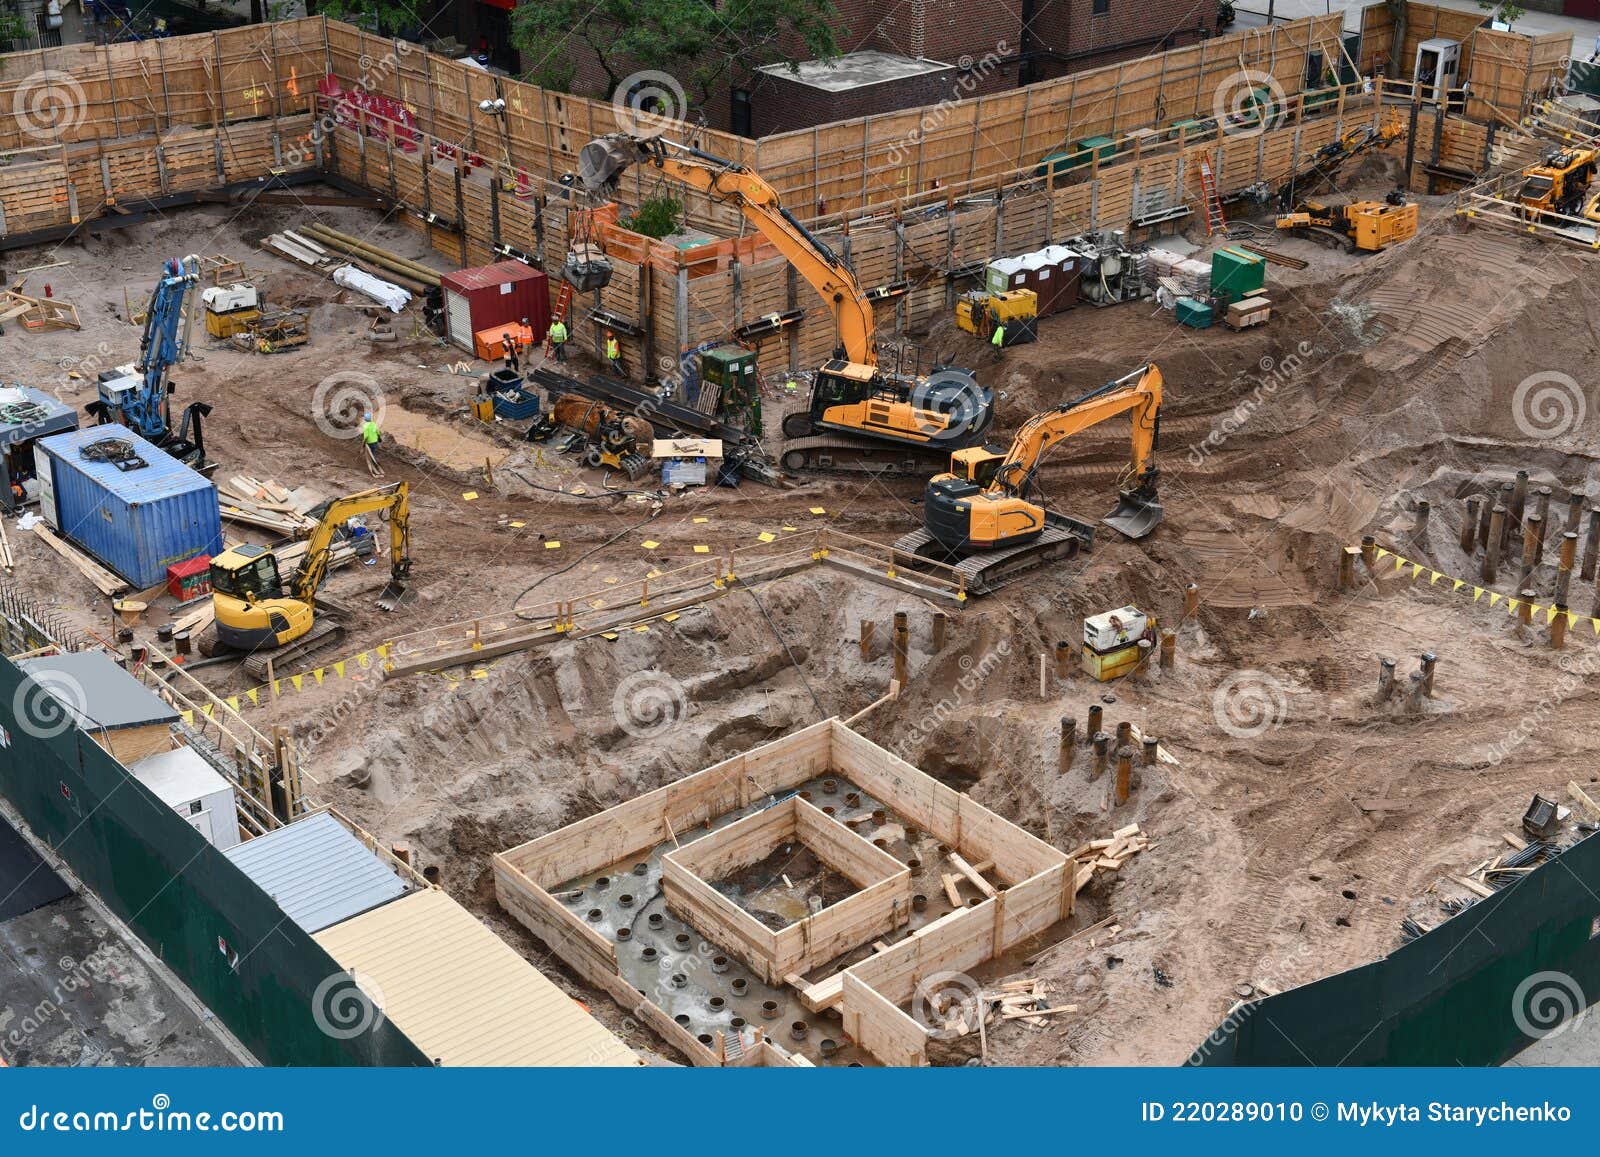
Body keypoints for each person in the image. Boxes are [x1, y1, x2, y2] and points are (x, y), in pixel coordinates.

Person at [360, 411, 383, 476]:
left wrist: (363, 445)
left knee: (370, 455)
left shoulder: (365, 426)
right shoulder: (374, 424)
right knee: (373, 453)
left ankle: (374, 467)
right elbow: (378, 432)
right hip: (375, 441)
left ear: (365, 419)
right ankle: (375, 464)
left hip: (369, 443)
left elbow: (366, 436)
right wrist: (379, 438)